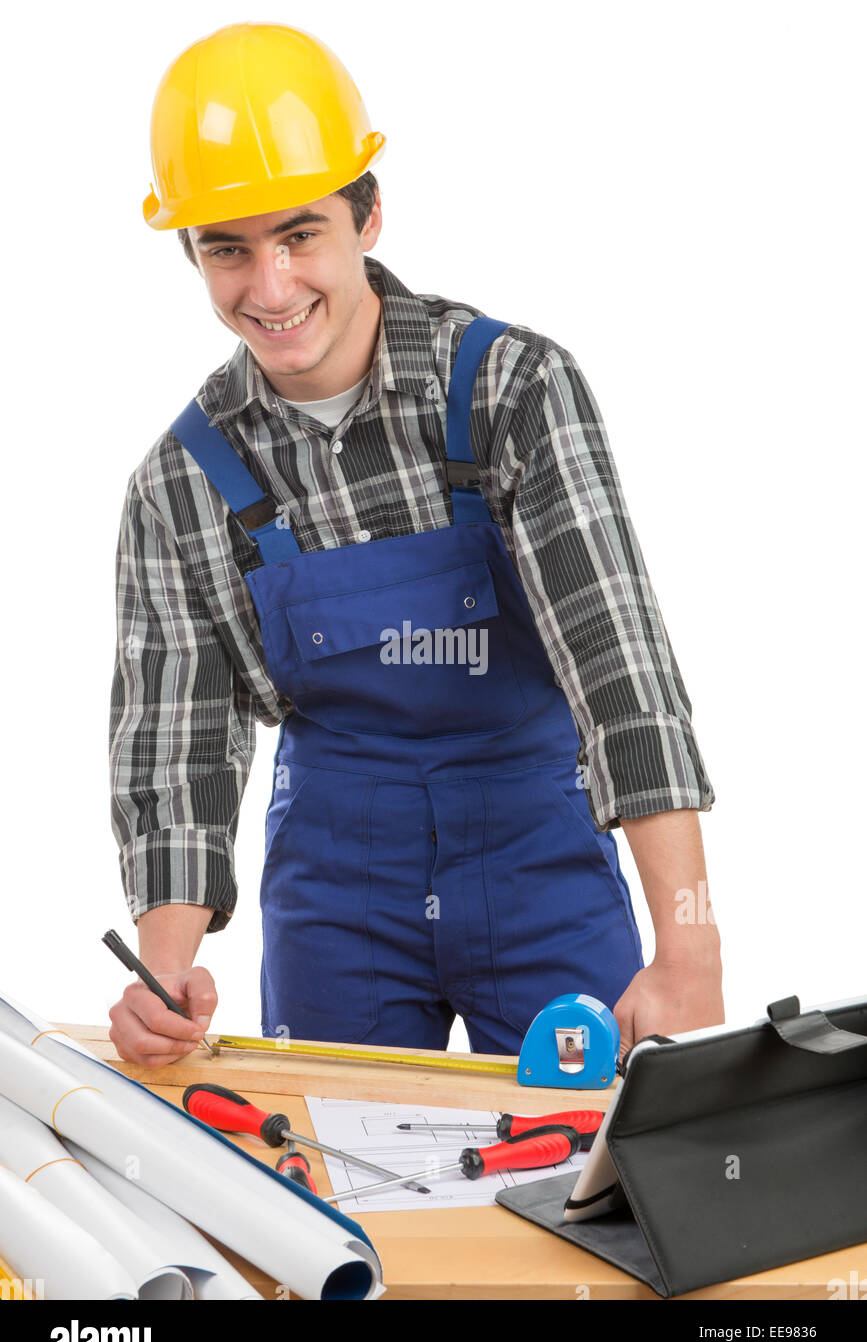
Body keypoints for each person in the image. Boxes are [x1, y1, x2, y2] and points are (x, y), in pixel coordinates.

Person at [108, 22, 723, 1068]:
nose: (268, 286)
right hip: (337, 886)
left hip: (538, 852)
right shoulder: (178, 484)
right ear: (194, 254)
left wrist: (690, 943)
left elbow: (620, 666)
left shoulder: (509, 389)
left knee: (591, 1186)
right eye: (228, 248)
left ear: (369, 214)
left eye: (299, 234)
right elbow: (181, 748)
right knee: (341, 1192)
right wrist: (164, 982)